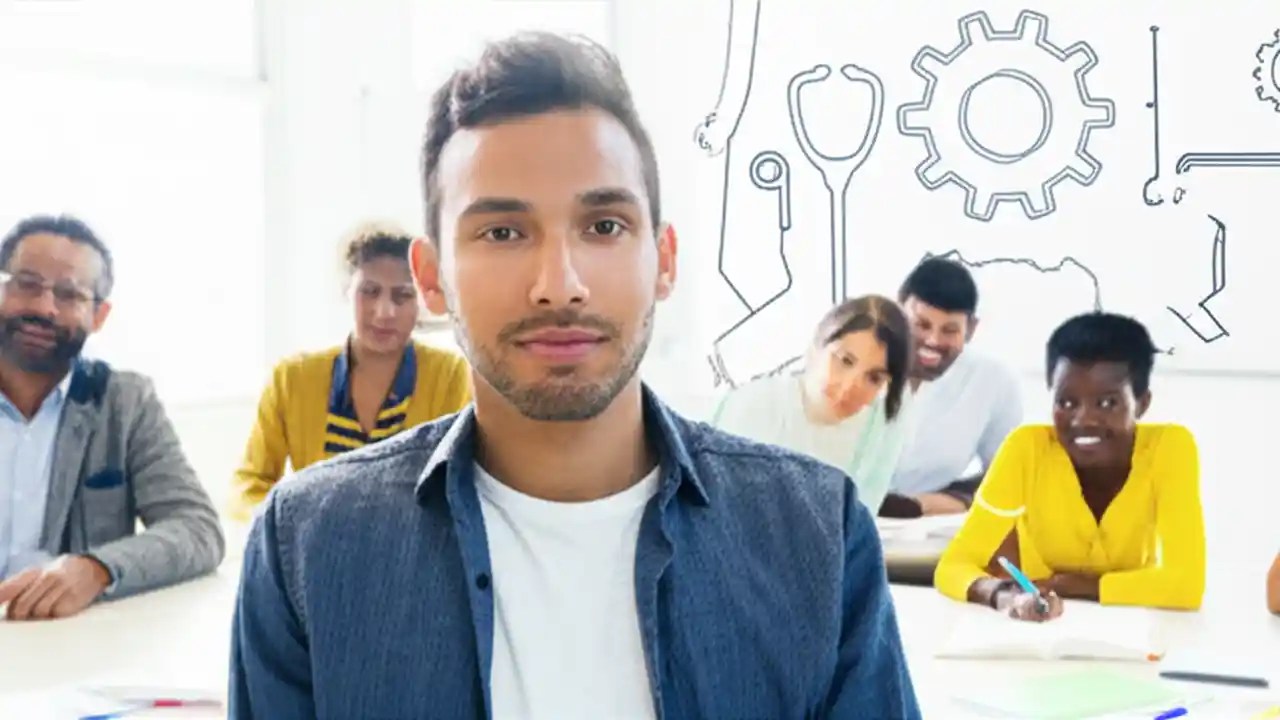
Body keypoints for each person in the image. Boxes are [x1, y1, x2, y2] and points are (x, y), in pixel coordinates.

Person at [230, 33, 918, 719]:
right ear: (432, 278)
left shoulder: (816, 536)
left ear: (665, 259)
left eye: (605, 226)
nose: (559, 286)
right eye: (503, 232)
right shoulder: (310, 546)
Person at [0, 215, 224, 621]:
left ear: (98, 316)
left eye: (69, 294)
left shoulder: (125, 401)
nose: (43, 308)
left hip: (69, 642)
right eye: (27, 284)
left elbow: (197, 529)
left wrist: (97, 568)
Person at [934, 312, 1205, 620]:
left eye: (1107, 403)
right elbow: (953, 566)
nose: (1083, 420)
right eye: (1066, 402)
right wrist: (1001, 593)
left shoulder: (1169, 447)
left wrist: (1070, 585)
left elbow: (1186, 585)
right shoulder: (1027, 449)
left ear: (1142, 403)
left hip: (1133, 626)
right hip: (1044, 626)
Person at [229, 223, 471, 520]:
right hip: (316, 546)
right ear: (347, 291)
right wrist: (282, 526)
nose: (385, 312)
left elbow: (462, 478)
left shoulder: (451, 375)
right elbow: (250, 481)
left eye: (402, 296)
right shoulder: (292, 377)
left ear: (419, 300)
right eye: (369, 292)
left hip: (411, 548)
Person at [710, 294, 911, 513]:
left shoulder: (879, 426)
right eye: (845, 361)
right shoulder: (754, 406)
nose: (849, 387)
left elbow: (861, 521)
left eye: (874, 378)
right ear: (816, 347)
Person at [880, 257, 1023, 518]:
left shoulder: (992, 381)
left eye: (949, 330)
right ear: (898, 312)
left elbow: (1010, 476)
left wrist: (942, 501)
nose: (933, 340)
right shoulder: (858, 362)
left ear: (971, 329)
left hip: (931, 537)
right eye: (921, 325)